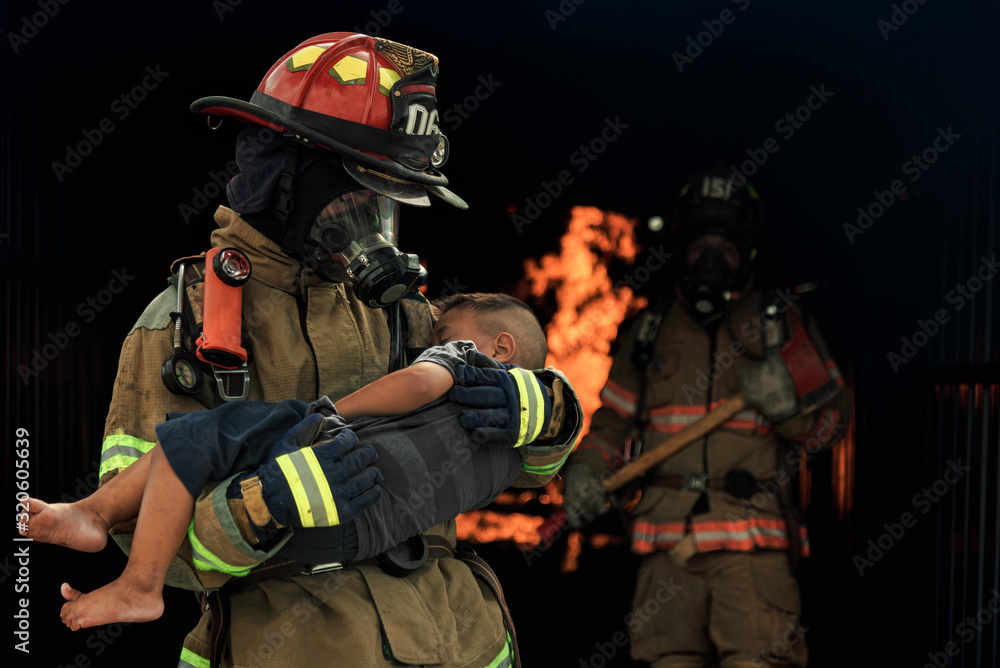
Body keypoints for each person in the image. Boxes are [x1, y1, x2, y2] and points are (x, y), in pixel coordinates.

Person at [94, 32, 581, 668]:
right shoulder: (183, 326)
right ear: (286, 171)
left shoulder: (413, 317)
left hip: (462, 641)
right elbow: (137, 542)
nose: (377, 217)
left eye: (391, 197)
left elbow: (524, 467)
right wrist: (262, 505)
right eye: (360, 190)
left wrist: (544, 411)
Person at [24, 293, 560, 632]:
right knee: (198, 438)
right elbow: (529, 472)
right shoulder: (507, 443)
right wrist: (258, 506)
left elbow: (422, 380)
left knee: (200, 436)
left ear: (502, 347)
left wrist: (333, 412)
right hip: (360, 537)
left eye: (442, 337)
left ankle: (131, 573)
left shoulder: (450, 347)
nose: (433, 337)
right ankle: (98, 519)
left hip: (333, 497)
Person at [562, 165, 852, 668]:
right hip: (666, 552)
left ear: (749, 254)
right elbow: (613, 422)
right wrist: (586, 469)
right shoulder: (649, 331)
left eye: (727, 246)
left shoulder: (780, 326)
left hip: (752, 553)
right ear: (681, 250)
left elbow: (835, 420)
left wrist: (789, 409)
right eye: (701, 244)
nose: (712, 259)